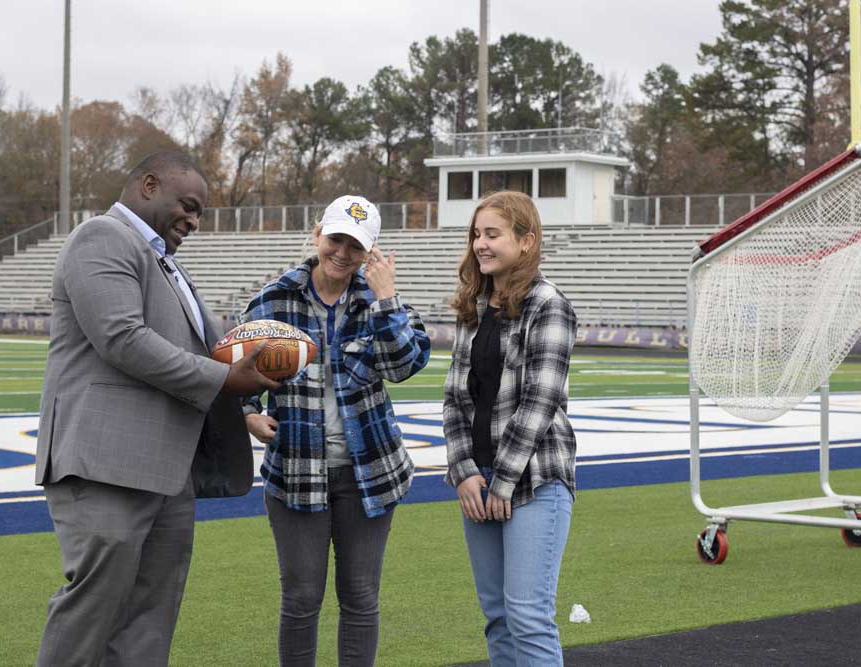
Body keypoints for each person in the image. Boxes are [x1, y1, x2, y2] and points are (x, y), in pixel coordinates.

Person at [34, 151, 280, 667]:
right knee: (92, 611)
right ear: (149, 185)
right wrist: (223, 379)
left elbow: (194, 354)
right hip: (108, 466)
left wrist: (242, 409)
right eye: (188, 206)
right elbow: (121, 338)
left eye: (199, 214)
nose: (192, 221)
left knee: (150, 618)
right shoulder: (102, 237)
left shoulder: (166, 262)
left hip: (167, 473)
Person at [241, 194, 431, 666]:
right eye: (337, 238)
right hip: (296, 470)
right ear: (317, 234)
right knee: (301, 600)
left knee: (361, 598)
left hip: (369, 471)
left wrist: (387, 299)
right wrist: (246, 412)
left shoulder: (381, 301)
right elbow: (235, 370)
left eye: (357, 245)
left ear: (372, 252)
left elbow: (404, 365)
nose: (343, 253)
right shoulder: (272, 299)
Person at [443, 190, 578, 666]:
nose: (480, 244)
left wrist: (501, 480)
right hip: (479, 478)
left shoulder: (548, 305)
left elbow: (540, 403)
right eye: (477, 234)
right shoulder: (474, 305)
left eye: (493, 234)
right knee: (497, 616)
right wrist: (464, 470)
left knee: (528, 616)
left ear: (527, 241)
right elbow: (455, 399)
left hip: (534, 478)